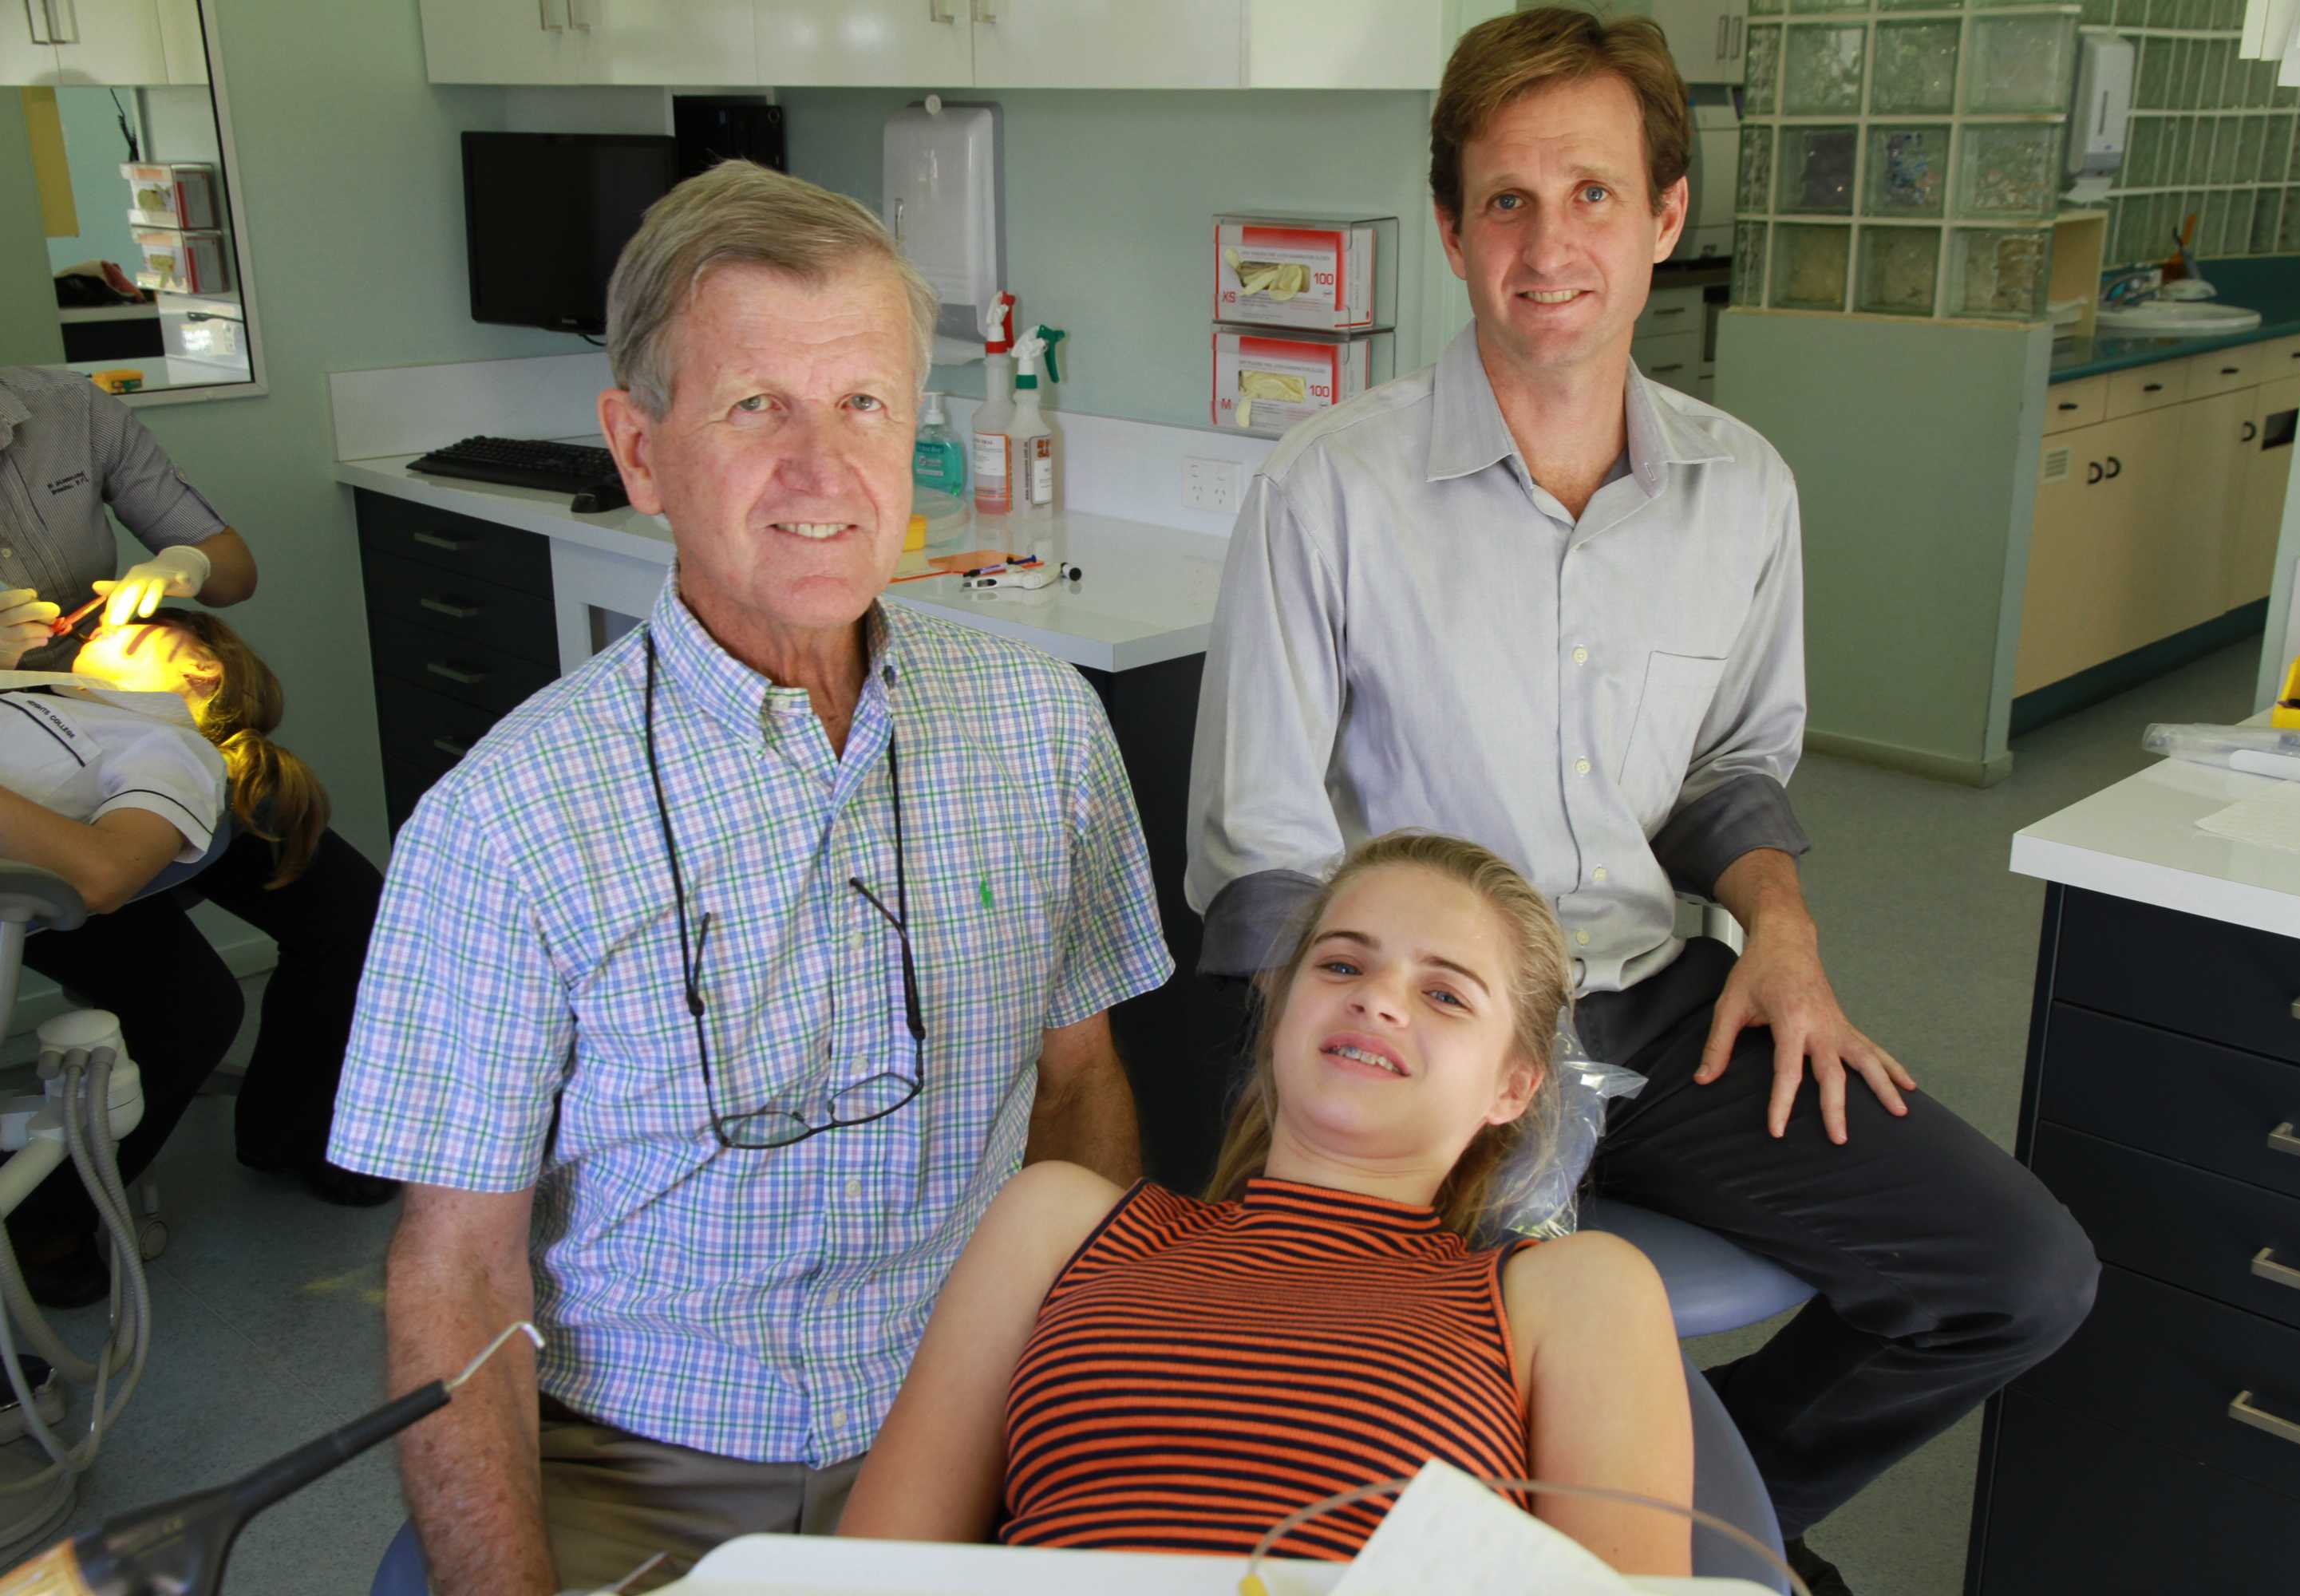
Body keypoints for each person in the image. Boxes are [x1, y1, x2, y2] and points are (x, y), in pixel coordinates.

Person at [1185, 12, 2098, 1592]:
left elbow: (1725, 773)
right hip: (1426, 1024)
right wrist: (1336, 1119)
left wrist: (1787, 938)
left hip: (1656, 998)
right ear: (1456, 228)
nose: (1551, 246)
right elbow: (1264, 865)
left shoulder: (1741, 489)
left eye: (1594, 195)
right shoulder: (1324, 490)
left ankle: (1694, 1493)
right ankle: (1665, 1533)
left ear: (1667, 218)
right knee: (1437, 1387)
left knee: (2017, 1273)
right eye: (1509, 202)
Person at [326, 160, 1172, 1596]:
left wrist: (1086, 1424)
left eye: (863, 407)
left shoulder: (1043, 732)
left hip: (971, 1418)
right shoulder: (505, 827)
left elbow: (1079, 1091)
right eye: (751, 407)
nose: (822, 471)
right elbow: (456, 1272)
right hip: (637, 1464)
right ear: (641, 449)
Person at [841, 832, 1693, 1574]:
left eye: (1444, 993)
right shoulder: (1059, 1222)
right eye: (1341, 963)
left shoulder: (1573, 1294)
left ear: (1513, 1085)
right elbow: (869, 1567)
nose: (1379, 996)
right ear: (1282, 1011)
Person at [0, 362, 389, 1227]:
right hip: (48, 782)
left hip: (130, 731)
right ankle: (55, 1224)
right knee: (187, 1007)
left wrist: (178, 570)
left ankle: (294, 1129)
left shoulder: (68, 410)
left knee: (348, 909)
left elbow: (231, 567)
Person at [0, 608, 335, 1302]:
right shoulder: (41, 693)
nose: (105, 622)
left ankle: (48, 1226)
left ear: (201, 670)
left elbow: (105, 873)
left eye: (143, 626)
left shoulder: (171, 749)